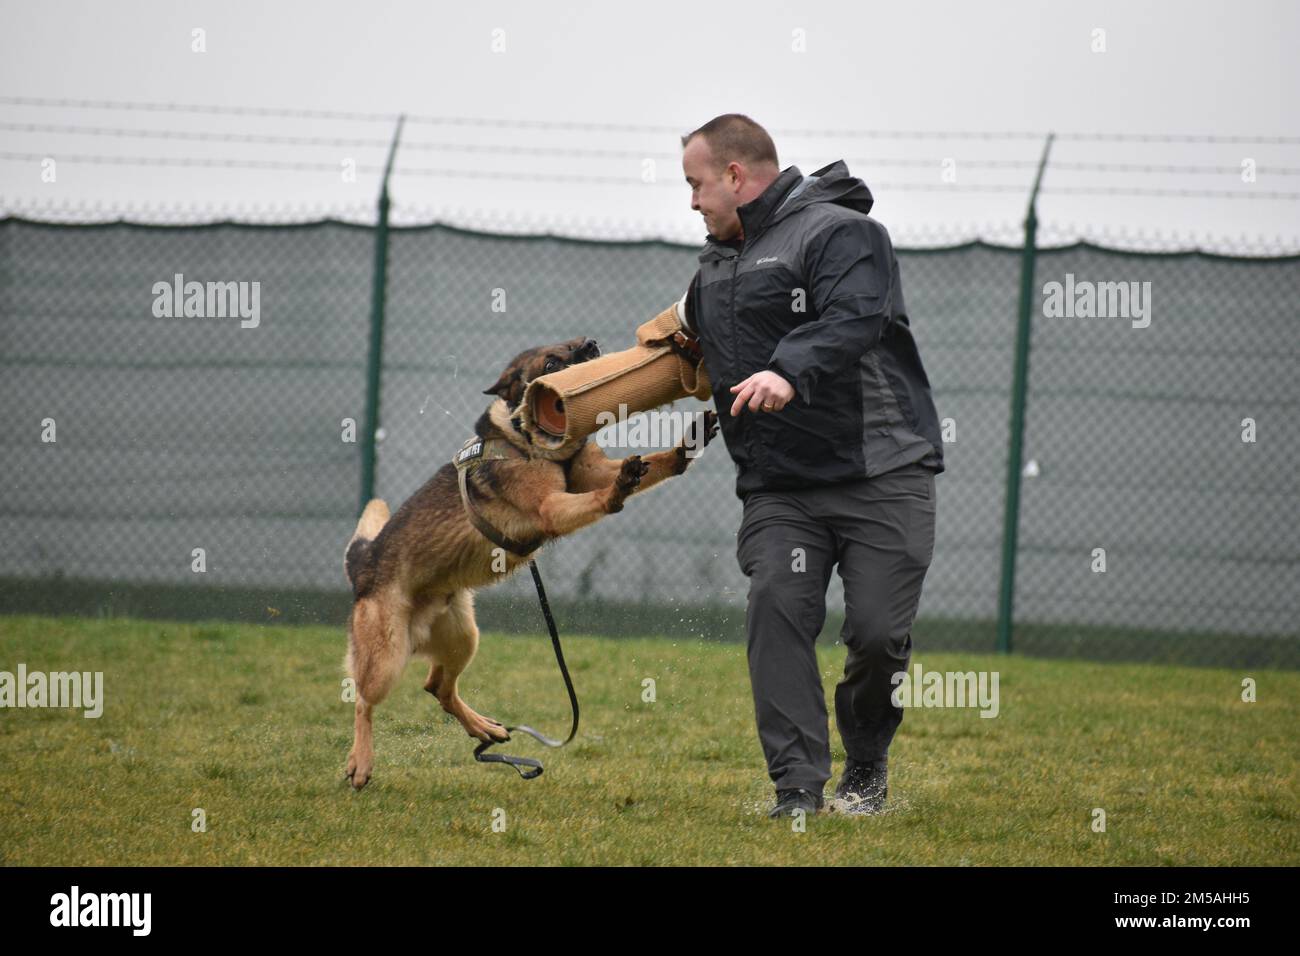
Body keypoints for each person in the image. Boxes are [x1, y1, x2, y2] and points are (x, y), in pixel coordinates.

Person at [677, 114, 944, 819]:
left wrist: (788, 371)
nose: (692, 202)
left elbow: (856, 317)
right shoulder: (714, 267)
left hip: (881, 473)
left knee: (878, 636)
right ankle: (797, 790)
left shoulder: (840, 233)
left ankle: (866, 767)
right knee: (777, 609)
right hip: (783, 491)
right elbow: (680, 350)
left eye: (696, 184)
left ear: (735, 176)